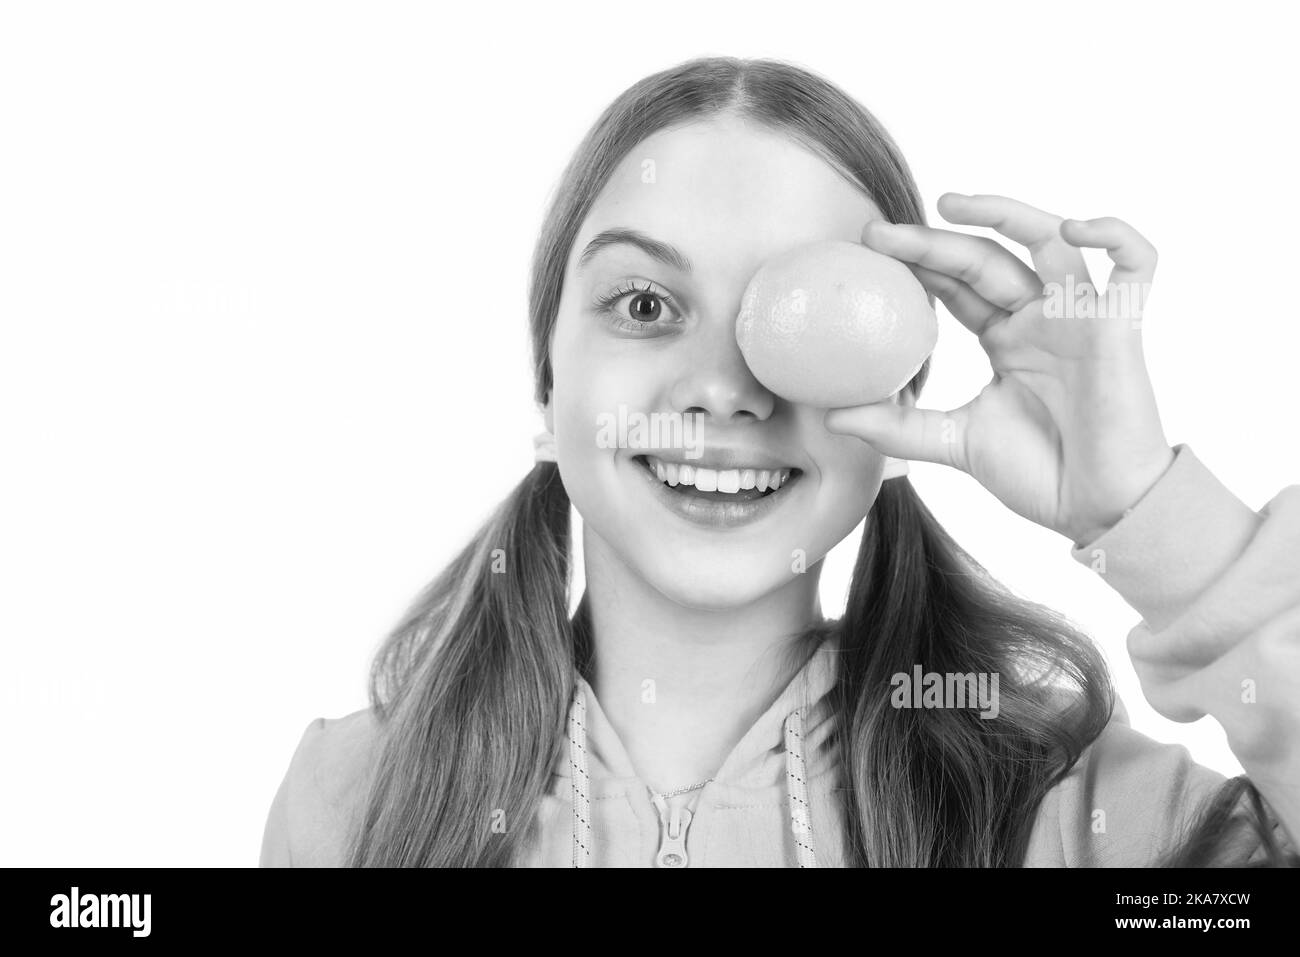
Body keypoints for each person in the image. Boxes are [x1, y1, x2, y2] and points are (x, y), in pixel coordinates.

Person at [259, 56, 1299, 867]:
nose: (724, 389)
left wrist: (1158, 522)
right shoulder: (357, 801)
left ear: (899, 400)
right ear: (546, 385)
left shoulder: (1076, 813)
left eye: (797, 312)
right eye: (645, 306)